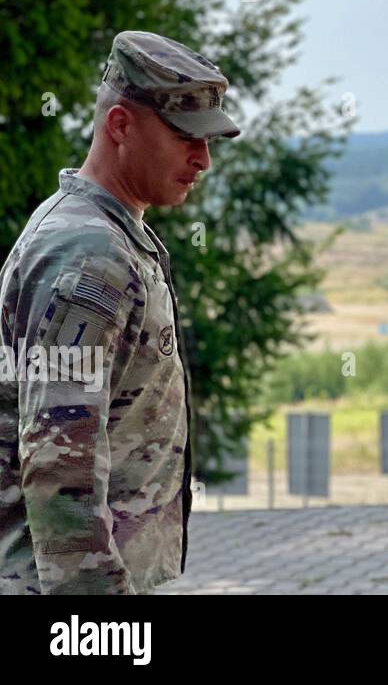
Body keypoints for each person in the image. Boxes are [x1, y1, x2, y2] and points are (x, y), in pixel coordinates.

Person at [0, 31, 240, 594]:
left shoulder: (111, 235)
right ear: (120, 125)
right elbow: (61, 472)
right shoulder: (88, 257)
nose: (202, 159)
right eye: (185, 137)